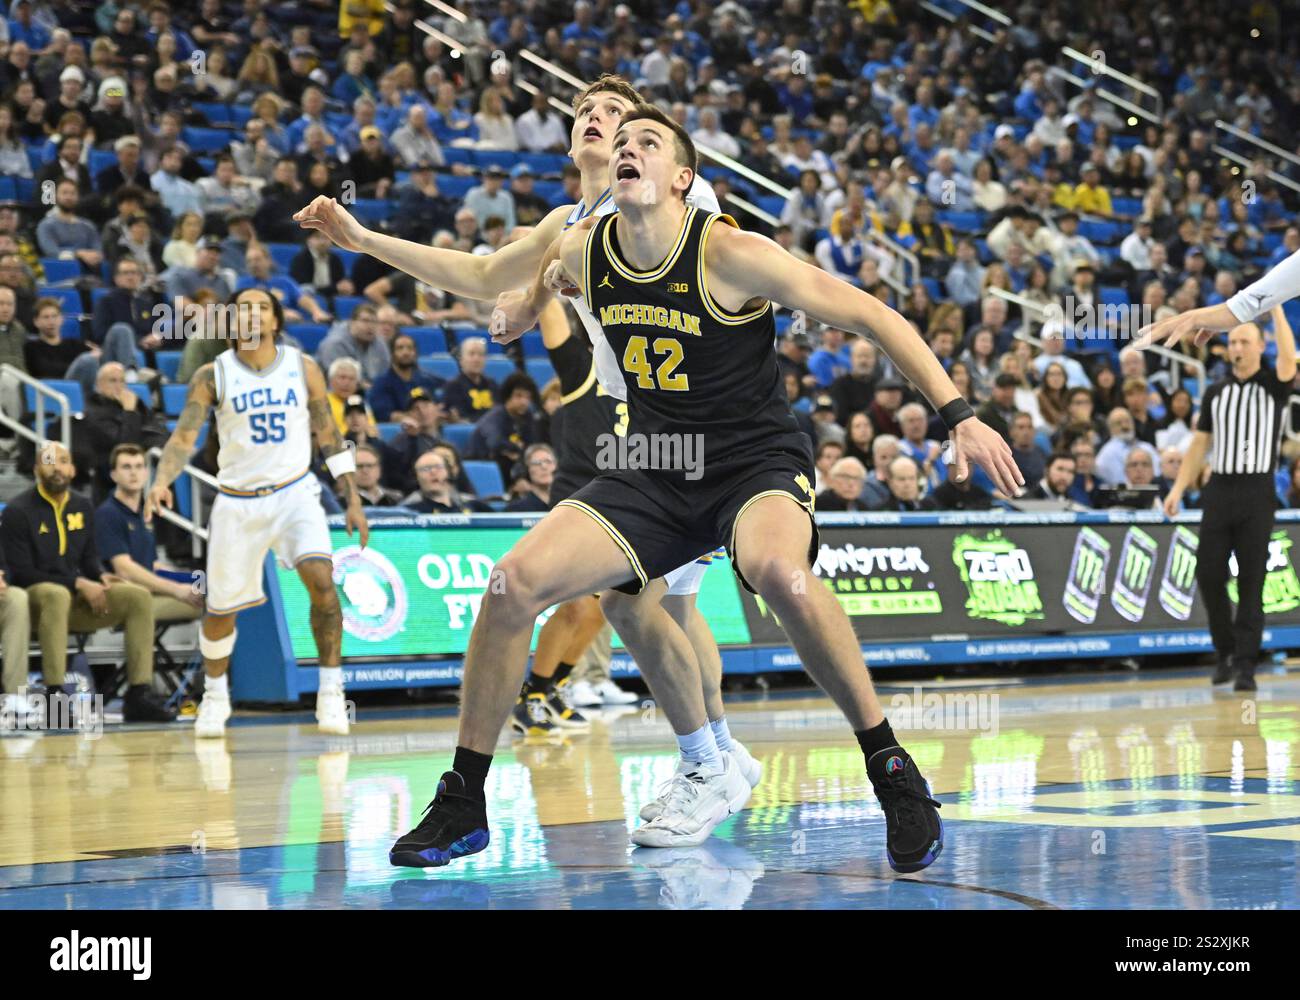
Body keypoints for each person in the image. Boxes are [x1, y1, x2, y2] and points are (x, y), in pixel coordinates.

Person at [420, 103, 1016, 870]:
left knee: (779, 574)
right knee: (514, 584)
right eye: (621, 141)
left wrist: (960, 415)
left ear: (682, 178)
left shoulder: (731, 253)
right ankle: (465, 802)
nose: (628, 149)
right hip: (656, 460)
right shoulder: (583, 243)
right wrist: (524, 306)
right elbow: (527, 279)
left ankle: (891, 769)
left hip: (751, 460)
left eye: (647, 143)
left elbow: (874, 315)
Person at [144, 288, 370, 738]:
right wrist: (161, 481)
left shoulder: (303, 368)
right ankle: (214, 695)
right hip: (237, 501)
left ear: (275, 321)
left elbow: (328, 435)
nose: (252, 314)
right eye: (243, 308)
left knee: (322, 582)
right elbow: (184, 438)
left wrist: (352, 497)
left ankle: (329, 693)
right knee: (221, 609)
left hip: (295, 493)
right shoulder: (213, 374)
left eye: (261, 307)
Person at [1159, 308, 1296, 692]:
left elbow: (1289, 359)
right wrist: (1177, 488)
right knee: (1208, 573)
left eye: (1244, 341)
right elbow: (1200, 444)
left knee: (1253, 580)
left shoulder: (1273, 385)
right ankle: (1225, 651)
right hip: (1219, 488)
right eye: (1232, 341)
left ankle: (1247, 665)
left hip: (1257, 491)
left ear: (1259, 346)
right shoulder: (1216, 392)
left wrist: (1277, 311)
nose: (1236, 346)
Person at [0, 442, 174, 724]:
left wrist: (100, 575)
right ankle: (54, 693)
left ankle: (138, 693)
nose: (57, 467)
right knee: (55, 594)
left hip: (74, 598)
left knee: (137, 595)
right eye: (49, 461)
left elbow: (90, 557)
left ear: (73, 469)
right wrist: (79, 582)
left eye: (63, 461)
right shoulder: (18, 511)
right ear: (36, 469)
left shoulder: (82, 506)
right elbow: (21, 573)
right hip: (37, 602)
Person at [95, 443, 204, 628]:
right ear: (113, 475)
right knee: (214, 601)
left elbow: (152, 565)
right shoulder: (108, 513)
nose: (134, 473)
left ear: (147, 473)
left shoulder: (144, 512)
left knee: (208, 582)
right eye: (126, 467)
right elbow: (125, 570)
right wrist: (177, 590)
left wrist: (189, 578)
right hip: (127, 595)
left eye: (139, 467)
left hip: (150, 588)